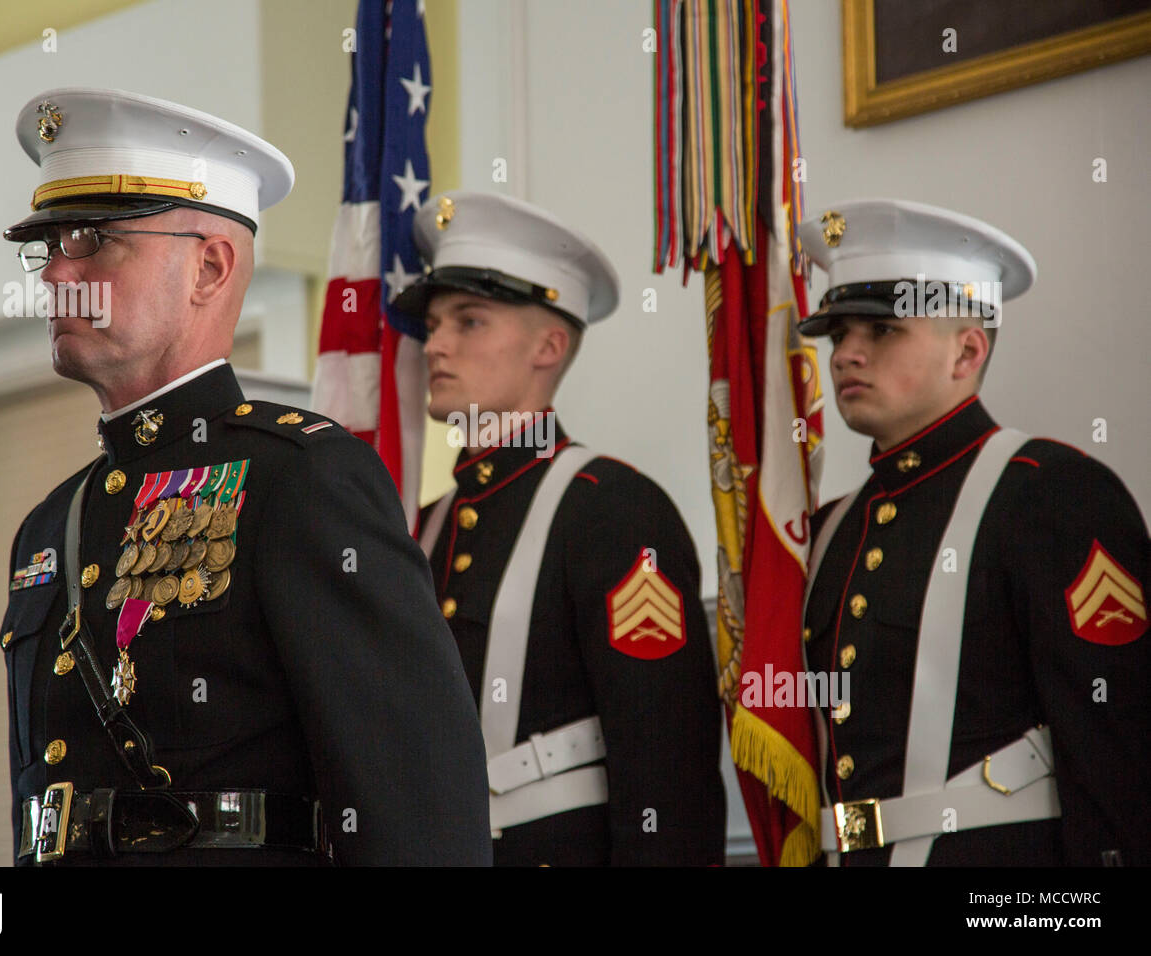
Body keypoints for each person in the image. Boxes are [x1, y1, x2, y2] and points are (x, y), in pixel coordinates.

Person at [0, 87, 491, 866]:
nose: (58, 274)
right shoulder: (50, 525)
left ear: (210, 266)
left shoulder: (300, 480)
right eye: (48, 245)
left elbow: (420, 811)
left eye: (91, 238)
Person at [798, 198, 1150, 866]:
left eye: (881, 332)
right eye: (838, 333)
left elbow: (1118, 754)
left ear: (967, 351)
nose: (845, 353)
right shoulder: (833, 528)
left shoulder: (1051, 494)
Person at [392, 192, 726, 865]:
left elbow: (666, 759)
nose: (438, 345)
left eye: (470, 321)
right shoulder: (428, 523)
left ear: (549, 345)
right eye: (434, 324)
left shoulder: (612, 508)